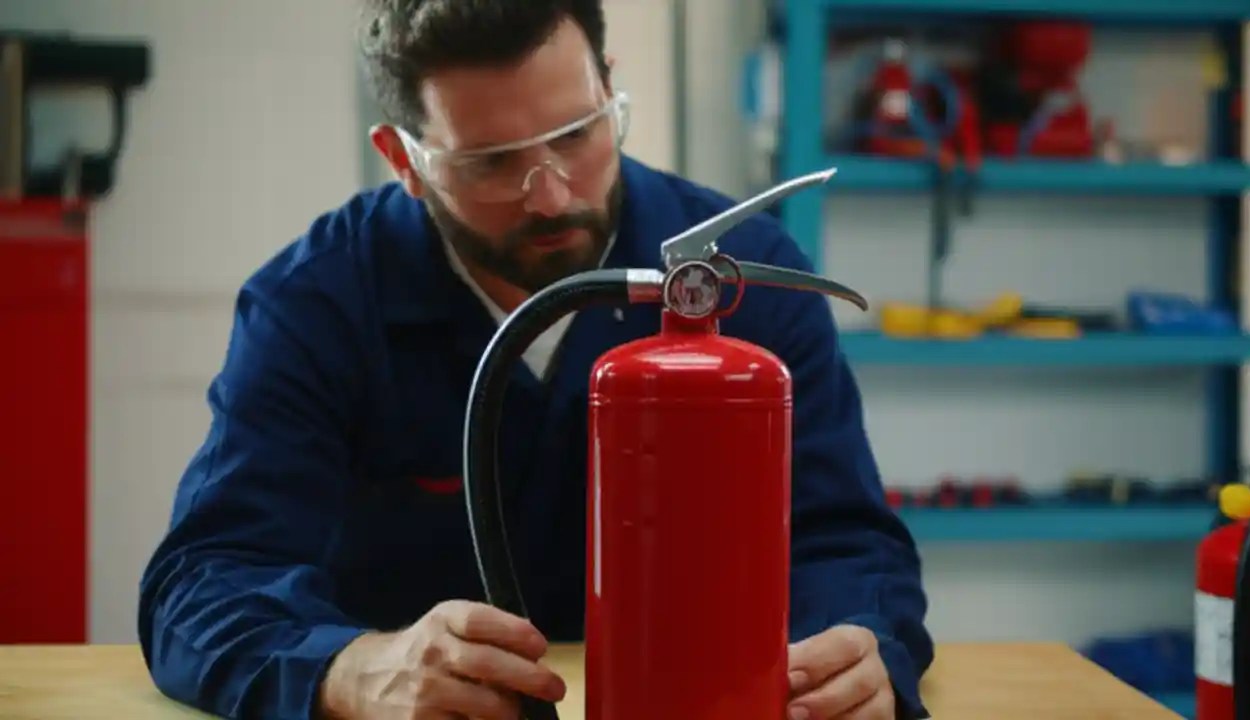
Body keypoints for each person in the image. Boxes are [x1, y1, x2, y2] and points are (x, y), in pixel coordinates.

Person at [137, 1, 934, 718]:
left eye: (574, 135)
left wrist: (860, 650)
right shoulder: (317, 304)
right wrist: (345, 671)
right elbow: (202, 584)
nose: (550, 195)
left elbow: (849, 542)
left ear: (608, 89)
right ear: (403, 159)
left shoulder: (749, 275)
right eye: (491, 162)